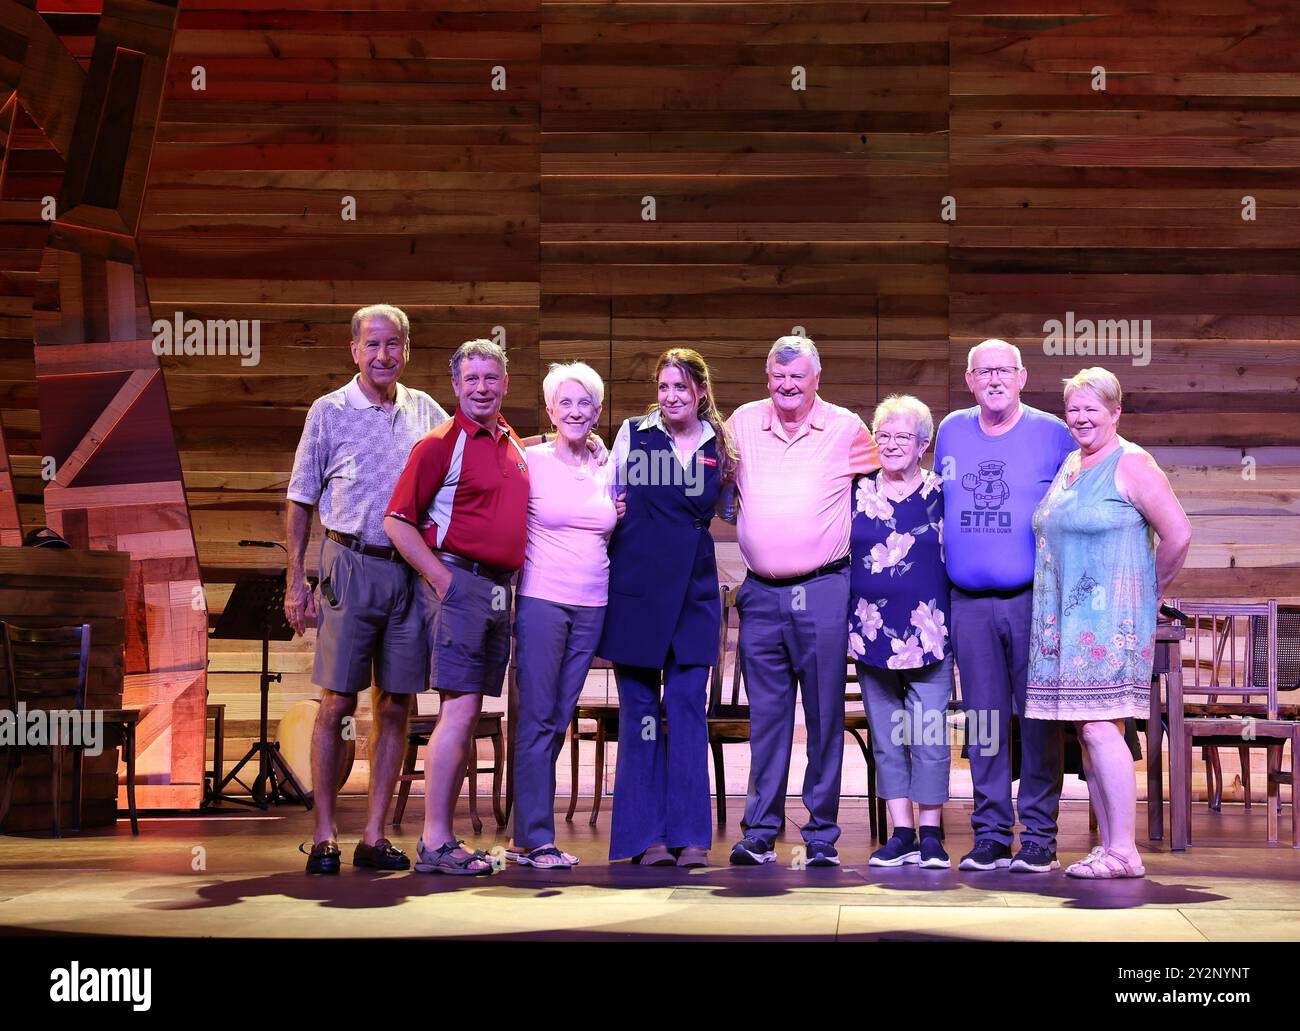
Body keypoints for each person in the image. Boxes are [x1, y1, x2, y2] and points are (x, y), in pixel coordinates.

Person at [286, 304, 448, 875]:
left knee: (398, 702)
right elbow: (302, 495)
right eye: (373, 344)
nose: (384, 355)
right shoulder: (328, 411)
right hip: (349, 562)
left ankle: (375, 835)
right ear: (354, 350)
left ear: (407, 349)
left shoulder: (425, 409)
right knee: (337, 702)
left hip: (408, 571)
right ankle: (325, 832)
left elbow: (472, 451)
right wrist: (295, 579)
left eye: (394, 344)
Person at [1026, 367, 1190, 879]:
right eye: (1073, 408)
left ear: (1116, 412)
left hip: (1108, 624)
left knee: (1099, 728)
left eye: (1092, 409)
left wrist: (1146, 594)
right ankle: (1111, 847)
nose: (1080, 417)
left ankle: (1124, 851)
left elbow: (1178, 535)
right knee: (1094, 730)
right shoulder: (1072, 464)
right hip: (1066, 622)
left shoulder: (1133, 463)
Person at [725, 335, 878, 868]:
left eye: (798, 377)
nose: (787, 386)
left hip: (823, 588)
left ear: (817, 379)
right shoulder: (742, 422)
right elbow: (717, 481)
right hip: (761, 592)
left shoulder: (847, 428)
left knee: (823, 715)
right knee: (766, 719)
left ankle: (821, 835)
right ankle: (760, 832)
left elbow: (886, 491)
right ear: (768, 377)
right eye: (778, 376)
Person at [383, 339, 528, 876]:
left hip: (497, 590)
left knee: (468, 711)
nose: (482, 388)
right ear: (456, 386)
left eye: (491, 378)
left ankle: (442, 839)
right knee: (459, 709)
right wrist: (444, 581)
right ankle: (436, 842)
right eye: (472, 380)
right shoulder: (439, 444)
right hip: (461, 584)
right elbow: (397, 521)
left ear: (505, 383)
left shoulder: (511, 440)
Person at [933, 339, 1075, 873]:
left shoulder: (1054, 433)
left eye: (1003, 370)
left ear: (1022, 377)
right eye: (983, 371)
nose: (993, 379)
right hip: (967, 602)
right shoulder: (950, 429)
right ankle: (991, 833)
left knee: (1037, 720)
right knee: (984, 722)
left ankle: (1039, 835)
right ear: (969, 380)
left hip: (1032, 601)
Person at [598, 348, 735, 868]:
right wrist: (612, 509)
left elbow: (730, 506)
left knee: (685, 707)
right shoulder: (634, 433)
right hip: (636, 591)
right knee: (639, 712)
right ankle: (644, 837)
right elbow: (605, 498)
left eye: (681, 387)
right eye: (663, 387)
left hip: (694, 595)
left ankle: (690, 836)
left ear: (700, 391)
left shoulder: (717, 443)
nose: (671, 397)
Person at [508, 362, 619, 870]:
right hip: (541, 601)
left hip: (593, 603)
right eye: (565, 403)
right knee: (536, 716)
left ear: (598, 411)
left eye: (585, 403)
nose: (575, 412)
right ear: (550, 410)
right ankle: (536, 838)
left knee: (558, 718)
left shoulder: (610, 463)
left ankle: (525, 835)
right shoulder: (528, 460)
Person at [848, 395, 954, 869]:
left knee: (928, 735)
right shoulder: (855, 491)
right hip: (870, 635)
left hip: (928, 632)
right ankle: (902, 832)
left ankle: (931, 833)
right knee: (888, 736)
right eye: (883, 436)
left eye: (902, 437)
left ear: (923, 444)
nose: (891, 445)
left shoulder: (942, 491)